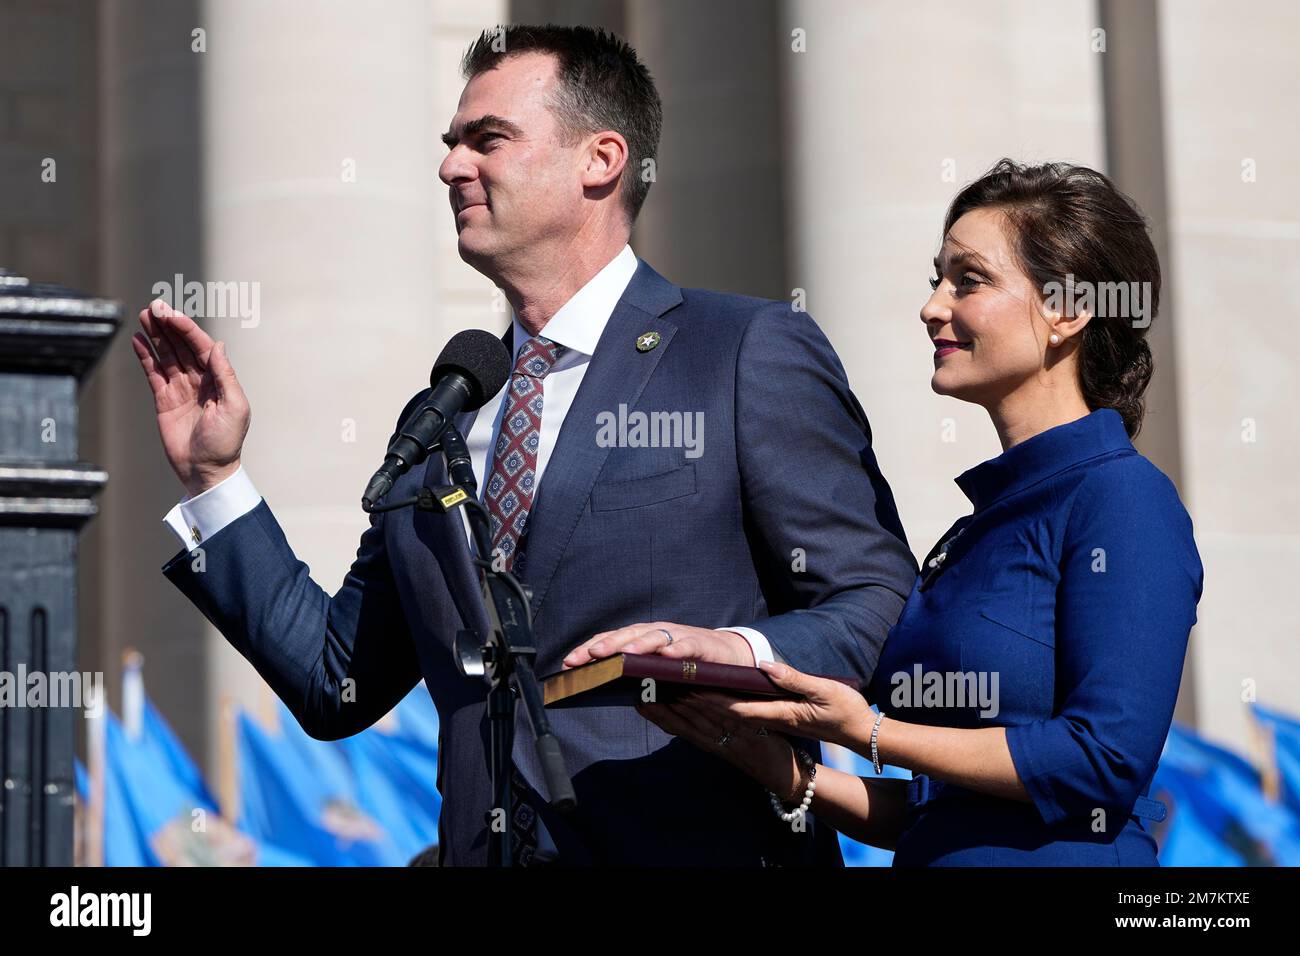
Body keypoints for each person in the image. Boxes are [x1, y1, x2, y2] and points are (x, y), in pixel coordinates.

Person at [131, 24, 917, 866]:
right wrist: (217, 479)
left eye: (487, 140)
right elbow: (337, 682)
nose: (451, 167)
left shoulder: (740, 351)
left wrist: (735, 653)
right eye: (451, 144)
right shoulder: (442, 416)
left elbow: (879, 604)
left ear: (601, 159)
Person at [641, 159, 1204, 865]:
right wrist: (765, 759)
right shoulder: (973, 530)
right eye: (937, 278)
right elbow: (938, 814)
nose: (933, 305)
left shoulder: (1122, 498)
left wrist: (869, 732)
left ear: (1067, 310)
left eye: (968, 280)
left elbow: (1102, 761)